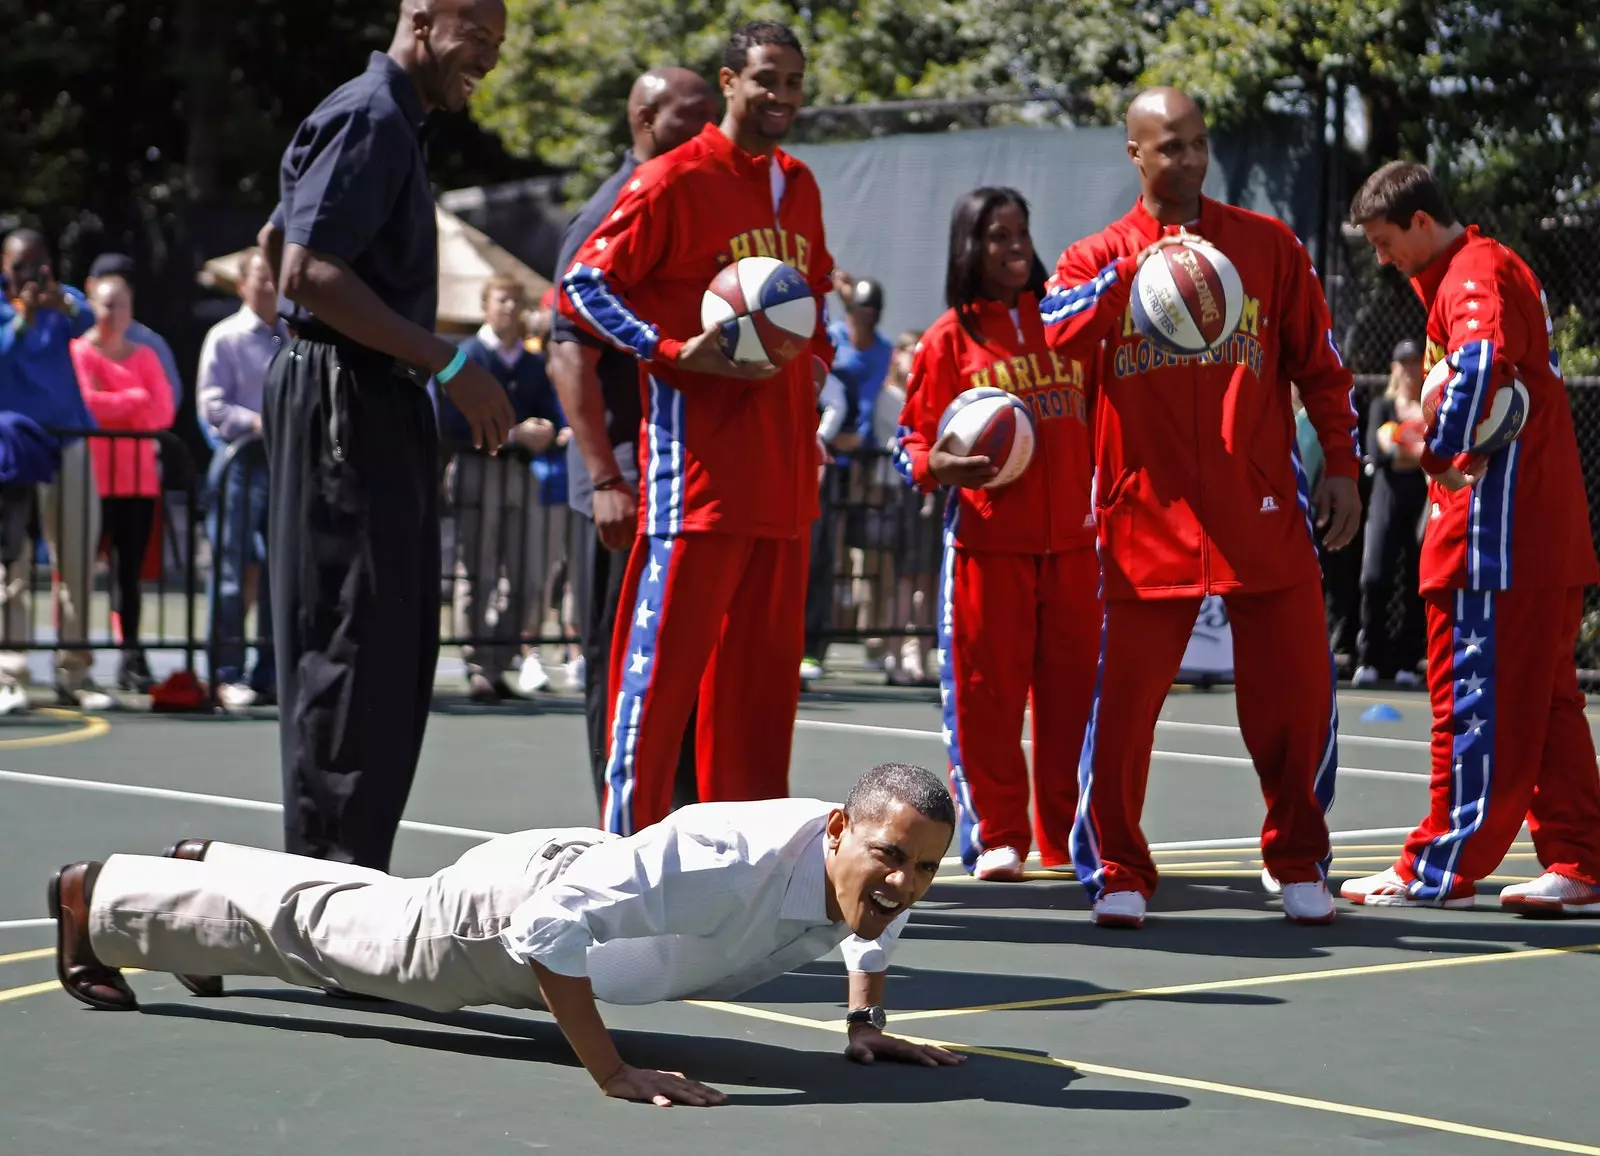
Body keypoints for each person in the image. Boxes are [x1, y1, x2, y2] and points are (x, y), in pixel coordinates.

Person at [47, 761, 964, 1106]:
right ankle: (106, 902)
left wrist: (864, 1025)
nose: (904, 883)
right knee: (333, 946)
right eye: (891, 857)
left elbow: (874, 931)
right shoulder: (724, 854)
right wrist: (611, 1071)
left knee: (362, 910)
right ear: (839, 830)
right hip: (515, 915)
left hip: (574, 909)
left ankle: (207, 866)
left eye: (923, 868)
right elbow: (547, 931)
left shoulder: (879, 869)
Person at [1043, 87, 1362, 928]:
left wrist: (1343, 469)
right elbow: (1058, 333)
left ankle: (1297, 858)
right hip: (1144, 515)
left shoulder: (1267, 247)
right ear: (1135, 154)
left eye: (1196, 144)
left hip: (1259, 506)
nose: (1184, 160)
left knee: (1296, 697)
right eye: (1166, 146)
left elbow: (1322, 369)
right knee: (1123, 712)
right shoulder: (1093, 258)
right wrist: (1129, 278)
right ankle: (1117, 866)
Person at [255, 0, 517, 870]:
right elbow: (307, 271)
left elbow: (275, 241)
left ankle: (338, 880)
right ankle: (326, 892)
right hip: (348, 401)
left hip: (363, 393)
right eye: (473, 32)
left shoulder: (389, 123)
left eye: (497, 43)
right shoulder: (370, 114)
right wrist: (448, 363)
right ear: (420, 18)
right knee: (353, 649)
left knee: (386, 647)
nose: (484, 54)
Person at [558, 22, 836, 836]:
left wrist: (811, 374)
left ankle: (744, 874)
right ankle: (623, 863)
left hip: (784, 484)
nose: (782, 96)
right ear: (728, 80)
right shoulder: (673, 179)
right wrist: (677, 351)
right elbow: (585, 287)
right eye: (766, 80)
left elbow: (814, 302)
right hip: (698, 484)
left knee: (758, 699)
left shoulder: (801, 184)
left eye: (794, 81)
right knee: (658, 691)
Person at [1342, 161, 1600, 914]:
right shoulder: (1489, 267)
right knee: (1551, 707)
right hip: (1541, 535)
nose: (1384, 260)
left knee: (1472, 696)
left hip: (1496, 539)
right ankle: (1581, 860)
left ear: (1422, 221)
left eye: (1387, 243)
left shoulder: (1472, 273)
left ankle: (1440, 864)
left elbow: (1482, 361)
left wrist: (1443, 452)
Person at [894, 188, 1103, 880]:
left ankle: (1067, 834)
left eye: (1021, 232)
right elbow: (908, 445)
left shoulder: (1063, 323)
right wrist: (938, 465)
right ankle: (998, 835)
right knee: (986, 701)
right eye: (996, 236)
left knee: (1074, 701)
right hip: (987, 550)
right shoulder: (947, 340)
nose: (1014, 246)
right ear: (969, 247)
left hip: (1075, 547)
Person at [546, 66, 718, 808]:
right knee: (621, 665)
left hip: (683, 483)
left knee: (680, 667)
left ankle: (676, 818)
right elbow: (568, 352)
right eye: (691, 118)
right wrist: (605, 480)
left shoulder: (694, 202)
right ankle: (621, 835)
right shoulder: (610, 211)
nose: (708, 134)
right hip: (627, 483)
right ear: (645, 120)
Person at [442, 274, 566, 703]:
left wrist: (550, 430)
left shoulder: (532, 364)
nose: (510, 309)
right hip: (478, 469)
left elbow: (550, 412)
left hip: (518, 477)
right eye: (502, 300)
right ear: (485, 306)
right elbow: (452, 423)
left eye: (517, 301)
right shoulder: (467, 357)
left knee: (524, 571)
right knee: (475, 567)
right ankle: (477, 662)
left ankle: (501, 658)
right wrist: (513, 434)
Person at [0, 228, 107, 711]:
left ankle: (76, 673)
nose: (27, 275)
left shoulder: (62, 302)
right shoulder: (6, 311)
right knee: (12, 568)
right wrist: (23, 315)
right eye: (18, 266)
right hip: (15, 451)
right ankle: (11, 676)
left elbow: (89, 318)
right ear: (4, 267)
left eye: (35, 265)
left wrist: (58, 302)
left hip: (70, 443)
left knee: (78, 563)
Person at [68, 272, 178, 696]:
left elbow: (162, 413)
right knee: (75, 572)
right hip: (91, 480)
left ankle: (131, 656)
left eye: (123, 304)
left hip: (138, 481)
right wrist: (134, 399)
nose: (116, 313)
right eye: (108, 304)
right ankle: (72, 661)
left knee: (128, 575)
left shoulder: (146, 356)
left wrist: (120, 404)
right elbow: (85, 407)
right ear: (93, 306)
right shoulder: (78, 353)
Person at [197, 247, 287, 710]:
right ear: (242, 285)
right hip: (238, 465)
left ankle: (270, 672)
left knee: (279, 570)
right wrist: (257, 423)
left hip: (284, 466)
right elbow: (211, 405)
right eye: (262, 278)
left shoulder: (294, 336)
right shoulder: (225, 337)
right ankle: (224, 673)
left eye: (276, 278)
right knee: (231, 572)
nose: (271, 286)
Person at [1352, 338, 1428, 688]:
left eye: (1416, 362)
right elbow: (1380, 454)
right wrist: (1416, 453)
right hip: (1386, 497)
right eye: (1404, 362)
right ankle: (1371, 658)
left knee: (1417, 580)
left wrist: (1404, 447)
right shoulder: (1383, 407)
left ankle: (1407, 662)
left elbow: (1435, 456)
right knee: (1375, 575)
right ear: (1394, 368)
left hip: (1421, 501)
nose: (1410, 369)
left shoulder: (1432, 409)